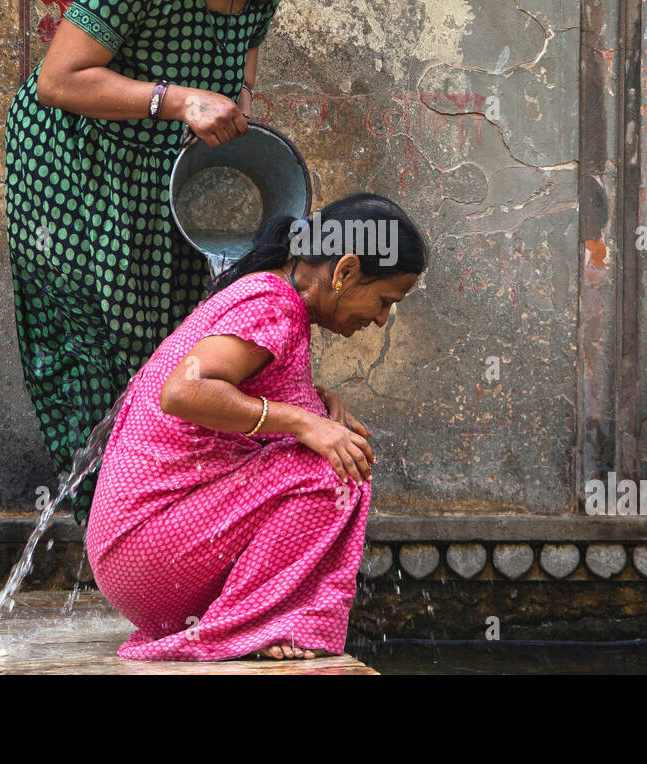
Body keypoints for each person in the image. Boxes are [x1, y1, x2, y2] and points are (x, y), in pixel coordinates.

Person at [4, 0, 306, 523]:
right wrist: (179, 101)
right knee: (93, 333)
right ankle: (101, 515)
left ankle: (155, 509)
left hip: (156, 166)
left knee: (166, 334)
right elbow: (60, 80)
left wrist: (241, 99)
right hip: (71, 160)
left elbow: (245, 47)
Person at [85, 194, 427, 660]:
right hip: (146, 549)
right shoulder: (275, 305)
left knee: (333, 450)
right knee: (335, 472)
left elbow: (248, 393)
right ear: (345, 272)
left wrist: (320, 403)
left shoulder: (270, 295)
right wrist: (305, 422)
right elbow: (183, 392)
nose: (382, 319)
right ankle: (249, 628)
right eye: (385, 300)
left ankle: (250, 621)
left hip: (133, 557)